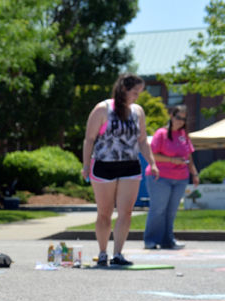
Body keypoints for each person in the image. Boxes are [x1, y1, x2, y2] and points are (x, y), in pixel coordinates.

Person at [81, 73, 158, 267]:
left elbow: (142, 140)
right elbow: (89, 139)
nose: (137, 96)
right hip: (104, 165)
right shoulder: (102, 109)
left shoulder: (137, 111)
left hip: (130, 165)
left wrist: (152, 162)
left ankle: (118, 253)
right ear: (123, 89)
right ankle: (102, 252)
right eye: (135, 92)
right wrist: (86, 165)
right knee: (104, 212)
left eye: (139, 92)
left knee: (126, 212)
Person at [144, 105, 199, 249]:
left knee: (171, 211)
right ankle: (151, 240)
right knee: (158, 210)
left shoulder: (183, 135)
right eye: (178, 117)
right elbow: (152, 155)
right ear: (171, 116)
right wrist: (172, 160)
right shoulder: (161, 133)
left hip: (180, 178)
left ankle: (168, 240)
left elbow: (189, 155)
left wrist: (194, 173)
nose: (180, 121)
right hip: (159, 177)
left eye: (184, 119)